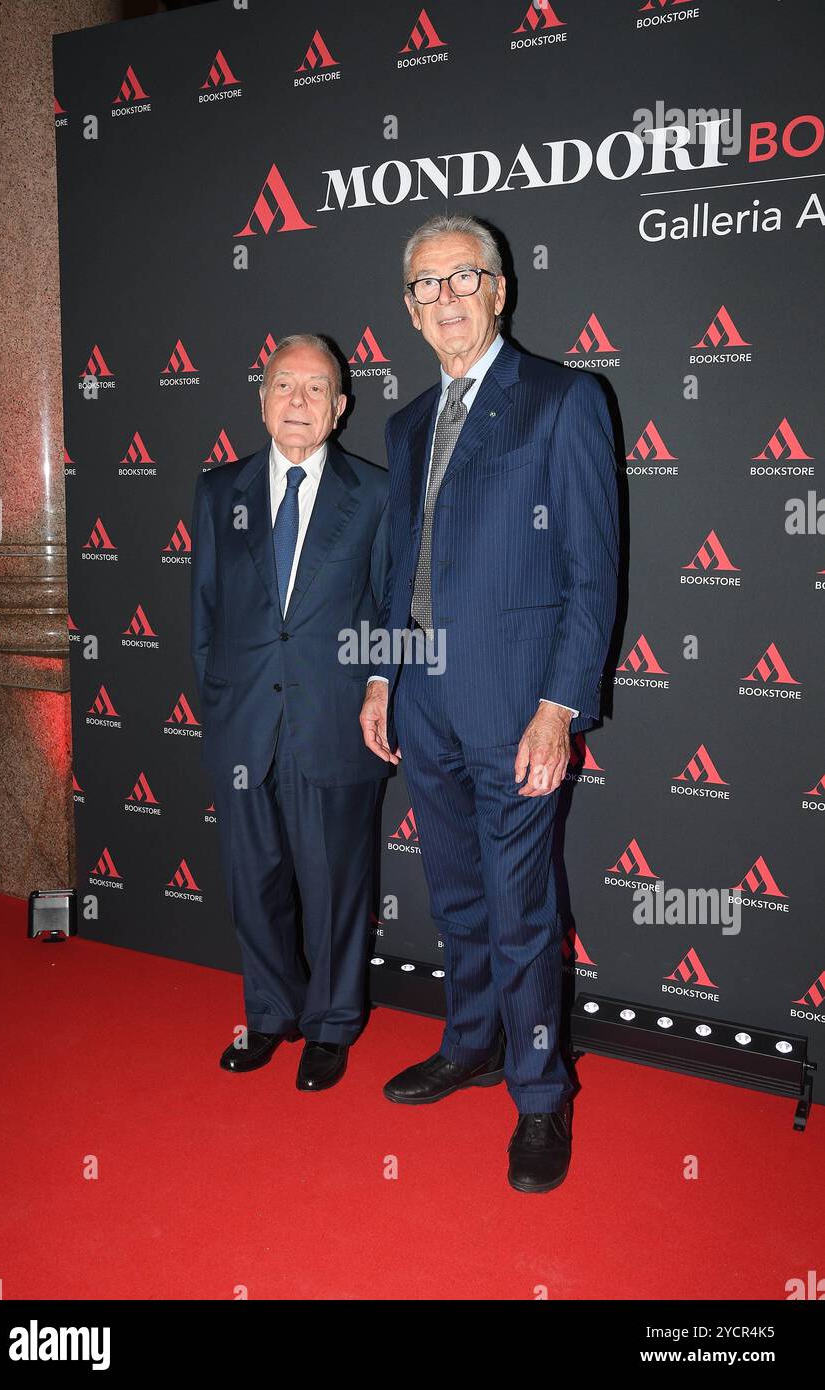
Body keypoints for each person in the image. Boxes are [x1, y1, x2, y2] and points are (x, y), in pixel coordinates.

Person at [360, 216, 619, 1190]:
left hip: (517, 707)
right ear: (408, 309)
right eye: (423, 286)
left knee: (520, 909)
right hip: (423, 703)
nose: (443, 298)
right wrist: (384, 675)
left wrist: (558, 706)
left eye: (460, 278)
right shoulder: (403, 422)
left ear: (499, 289)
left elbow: (592, 571)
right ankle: (468, 1042)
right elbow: (399, 573)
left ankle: (540, 1095)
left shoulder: (562, 400)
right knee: (457, 895)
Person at [192, 334, 390, 1092]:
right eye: (284, 385)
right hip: (242, 726)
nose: (298, 401)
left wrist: (379, 688)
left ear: (341, 408)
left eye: (316, 389)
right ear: (261, 397)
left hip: (336, 727)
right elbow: (205, 615)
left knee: (338, 888)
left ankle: (332, 1026)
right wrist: (218, 710)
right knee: (254, 883)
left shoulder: (374, 494)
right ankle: (269, 1014)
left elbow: (387, 606)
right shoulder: (219, 492)